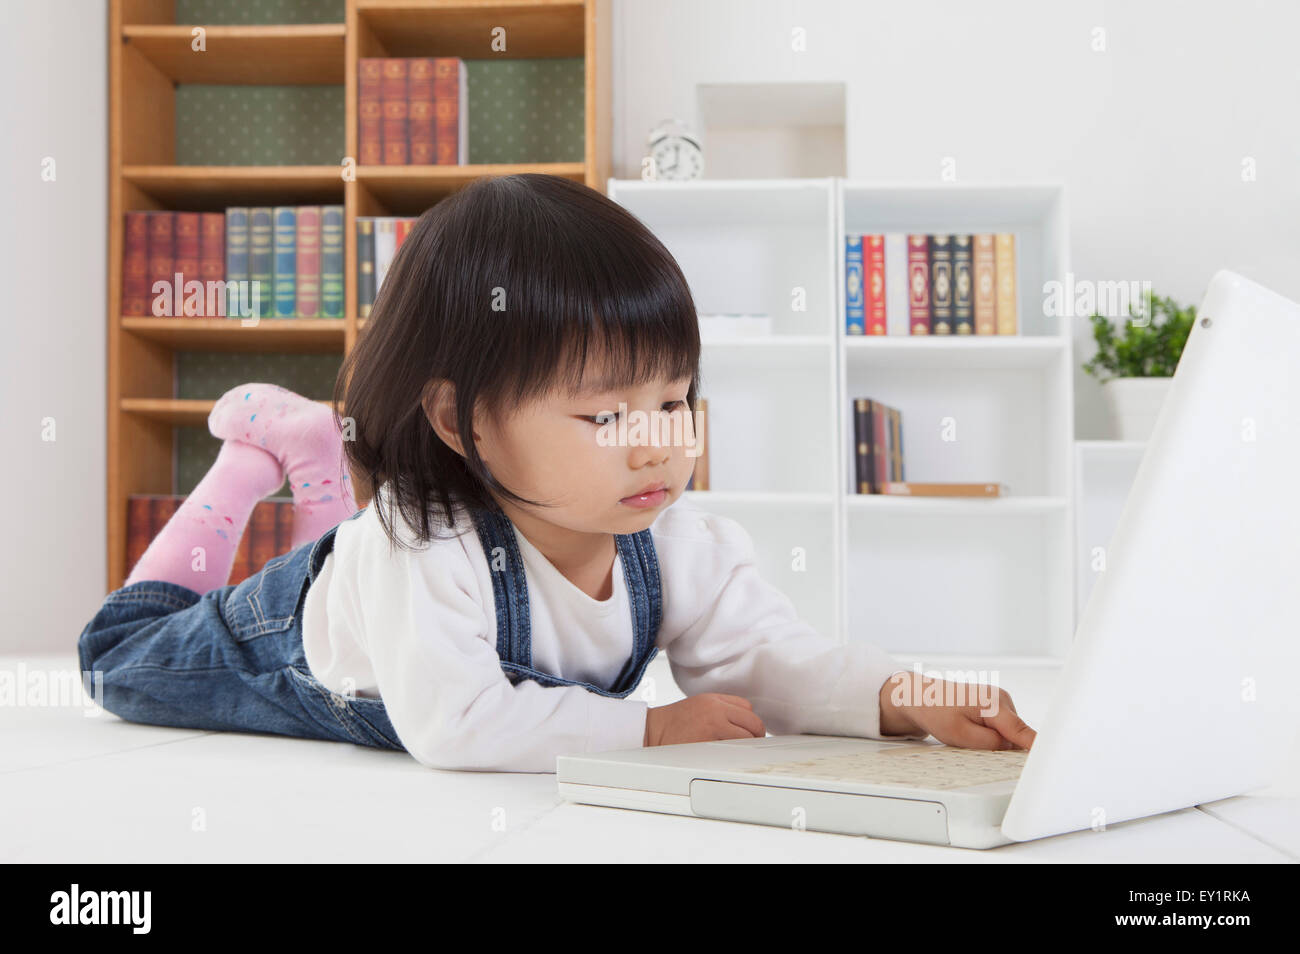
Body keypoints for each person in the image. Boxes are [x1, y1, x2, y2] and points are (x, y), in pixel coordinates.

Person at [79, 174, 1035, 772]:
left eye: (674, 400)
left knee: (345, 547)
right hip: (290, 639)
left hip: (359, 576)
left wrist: (904, 698)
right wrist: (647, 731)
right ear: (460, 420)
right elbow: (456, 723)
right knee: (118, 656)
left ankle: (317, 467)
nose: (659, 440)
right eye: (606, 413)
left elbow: (764, 661)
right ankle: (248, 468)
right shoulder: (428, 542)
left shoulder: (676, 542)